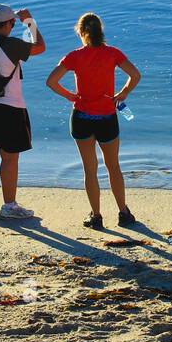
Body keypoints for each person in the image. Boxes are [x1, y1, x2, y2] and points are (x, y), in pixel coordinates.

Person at [46, 13, 141, 230]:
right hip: (107, 117)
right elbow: (135, 75)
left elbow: (51, 81)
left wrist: (70, 95)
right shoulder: (112, 53)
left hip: (81, 117)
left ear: (80, 32)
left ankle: (96, 216)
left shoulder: (74, 56)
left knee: (90, 169)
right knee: (113, 167)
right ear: (101, 31)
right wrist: (123, 94)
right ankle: (123, 213)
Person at [0, 3, 46, 220]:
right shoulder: (11, 45)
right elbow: (40, 46)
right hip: (9, 106)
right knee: (9, 158)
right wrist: (29, 21)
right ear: (9, 24)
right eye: (13, 22)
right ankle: (9, 205)